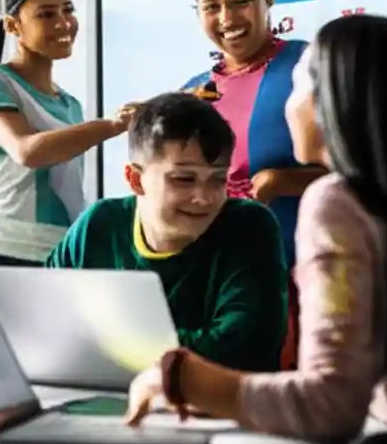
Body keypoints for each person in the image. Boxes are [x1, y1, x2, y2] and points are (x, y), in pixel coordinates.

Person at [125, 15, 387, 442]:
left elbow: (330, 405)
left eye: (297, 88)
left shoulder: (336, 202)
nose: (286, 105)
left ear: (331, 103)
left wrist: (184, 380)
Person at [45, 92, 288, 372]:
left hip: (212, 412)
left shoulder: (249, 226)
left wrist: (100, 344)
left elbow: (241, 349)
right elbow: (45, 320)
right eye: (184, 179)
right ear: (136, 179)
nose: (205, 198)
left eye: (218, 180)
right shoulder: (99, 224)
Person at [181, 0, 327, 367]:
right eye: (211, 7)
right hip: (218, 285)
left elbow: (368, 168)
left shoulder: (311, 66)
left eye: (240, 1)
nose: (227, 19)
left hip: (305, 282)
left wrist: (283, 182)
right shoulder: (192, 91)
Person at [0, 0, 137, 267]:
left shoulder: (71, 105)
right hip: (2, 250)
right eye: (46, 14)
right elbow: (26, 150)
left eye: (68, 10)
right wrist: (112, 125)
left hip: (58, 253)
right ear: (13, 26)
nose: (64, 23)